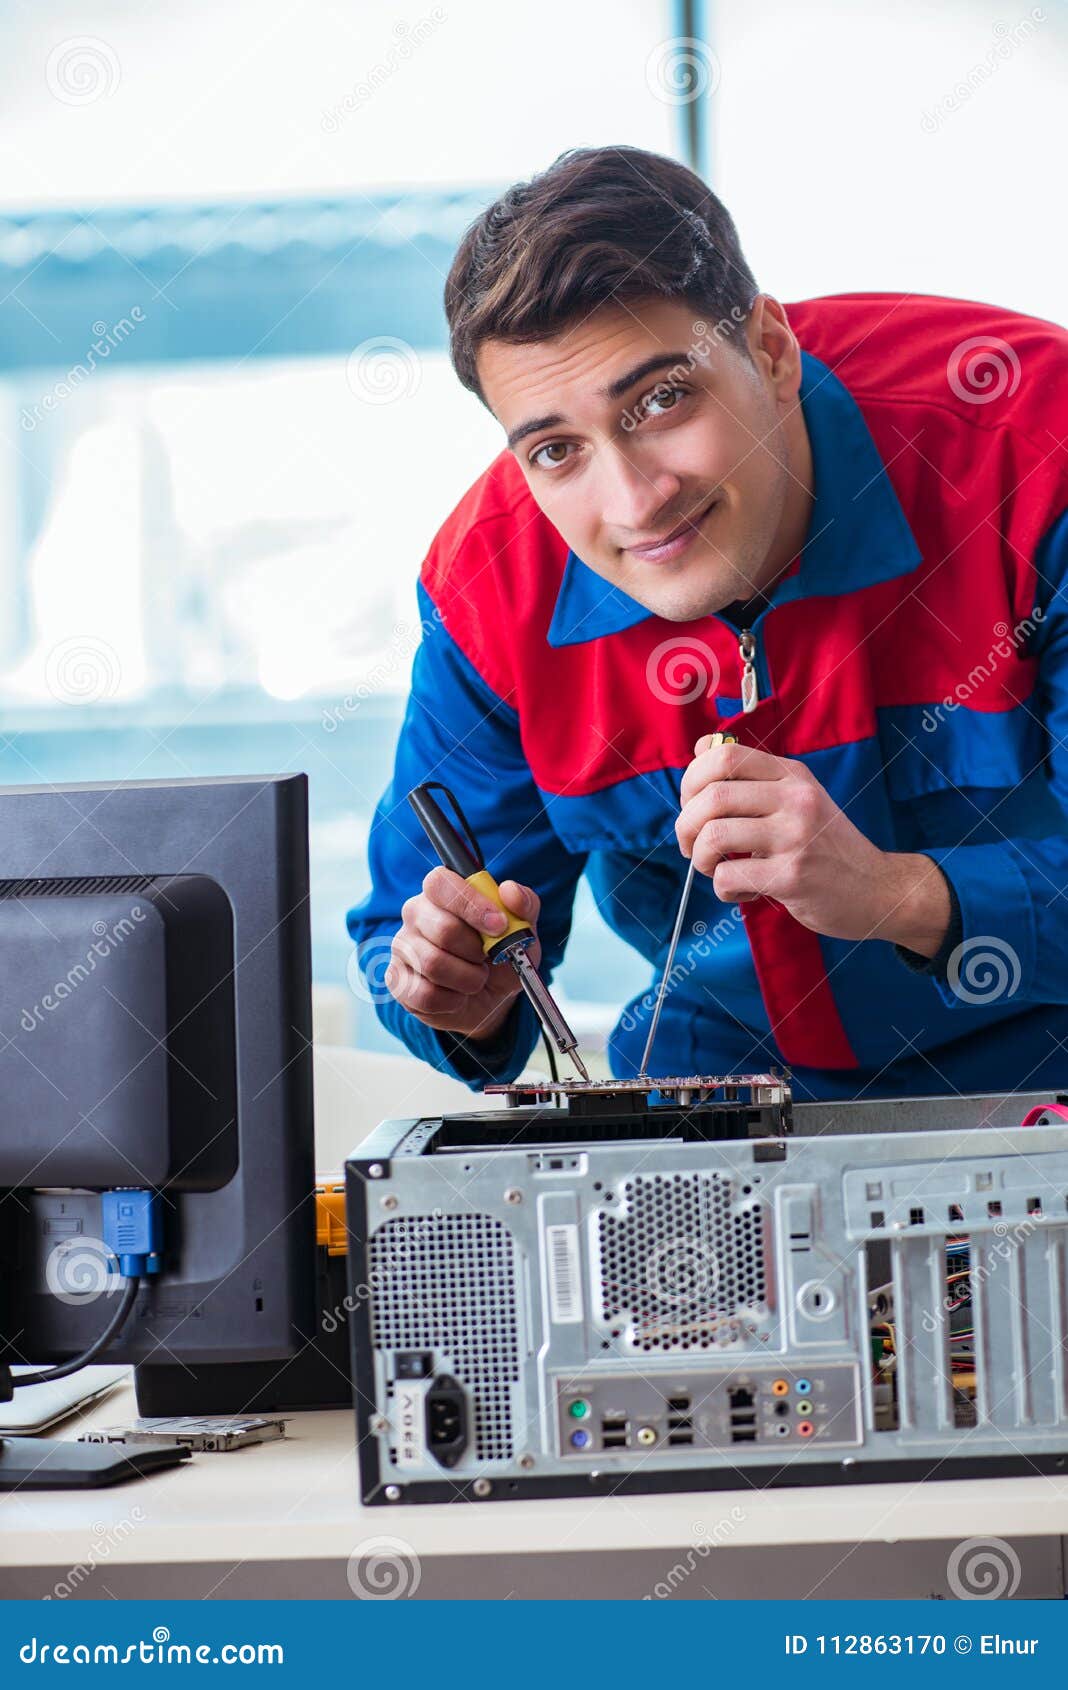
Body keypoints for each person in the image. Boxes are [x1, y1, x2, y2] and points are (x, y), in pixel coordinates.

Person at [347, 145, 1068, 1102]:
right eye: (557, 450)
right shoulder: (492, 588)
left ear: (770, 353)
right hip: (722, 1106)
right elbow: (407, 933)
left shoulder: (1033, 452)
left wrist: (900, 895)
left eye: (661, 400)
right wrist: (459, 995)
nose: (636, 501)